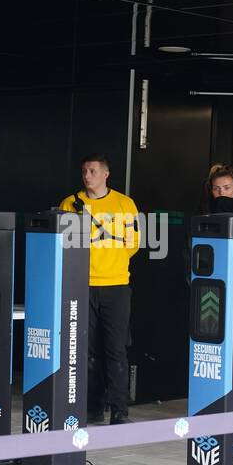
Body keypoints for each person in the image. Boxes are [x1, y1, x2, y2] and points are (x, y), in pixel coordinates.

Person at [60, 154, 140, 425]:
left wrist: (110, 260)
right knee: (86, 350)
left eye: (93, 171)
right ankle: (92, 407)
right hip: (81, 285)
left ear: (105, 174)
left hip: (115, 285)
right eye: (84, 171)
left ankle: (120, 410)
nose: (87, 175)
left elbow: (133, 244)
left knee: (115, 349)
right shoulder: (70, 203)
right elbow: (64, 243)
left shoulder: (124, 204)